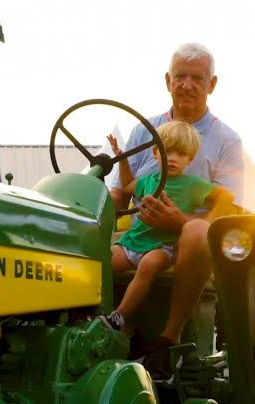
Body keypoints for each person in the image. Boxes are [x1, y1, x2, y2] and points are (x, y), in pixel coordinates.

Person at [104, 42, 246, 374]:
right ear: (168, 80)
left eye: (197, 78)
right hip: (137, 238)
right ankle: (104, 326)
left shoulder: (226, 140)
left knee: (199, 229)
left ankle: (169, 341)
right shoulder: (143, 131)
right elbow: (118, 195)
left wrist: (178, 221)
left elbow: (226, 213)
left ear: (211, 85)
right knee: (84, 242)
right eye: (180, 76)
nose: (187, 85)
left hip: (183, 247)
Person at [99, 120, 235, 340]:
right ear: (155, 153)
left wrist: (208, 222)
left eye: (181, 153)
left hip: (162, 246)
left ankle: (119, 317)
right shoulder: (147, 182)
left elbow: (226, 196)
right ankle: (95, 314)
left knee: (148, 266)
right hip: (133, 241)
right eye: (167, 151)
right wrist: (122, 160)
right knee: (101, 261)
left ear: (190, 159)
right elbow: (126, 186)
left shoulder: (192, 185)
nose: (173, 157)